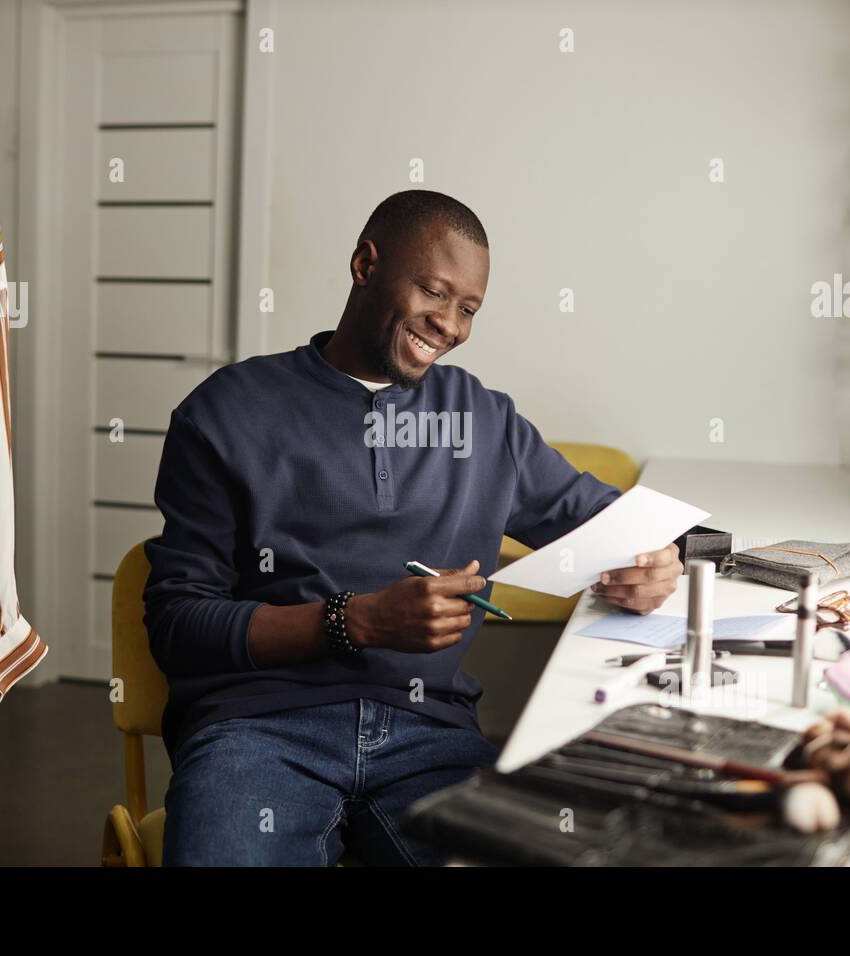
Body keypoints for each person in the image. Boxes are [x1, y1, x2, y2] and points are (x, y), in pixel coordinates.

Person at [143, 189, 683, 865]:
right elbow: (177, 627)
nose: (449, 325)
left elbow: (616, 525)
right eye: (434, 291)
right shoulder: (228, 410)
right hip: (258, 732)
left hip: (433, 738)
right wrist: (353, 622)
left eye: (469, 309)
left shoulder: (484, 421)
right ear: (365, 264)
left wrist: (657, 560)